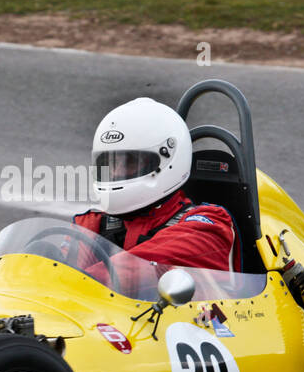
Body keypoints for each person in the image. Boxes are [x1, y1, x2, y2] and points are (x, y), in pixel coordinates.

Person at [71, 97, 239, 292]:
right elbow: (53, 270)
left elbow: (138, 267)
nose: (116, 172)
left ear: (167, 159)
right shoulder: (93, 225)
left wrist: (76, 282)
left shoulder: (206, 227)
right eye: (109, 163)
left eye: (130, 162)